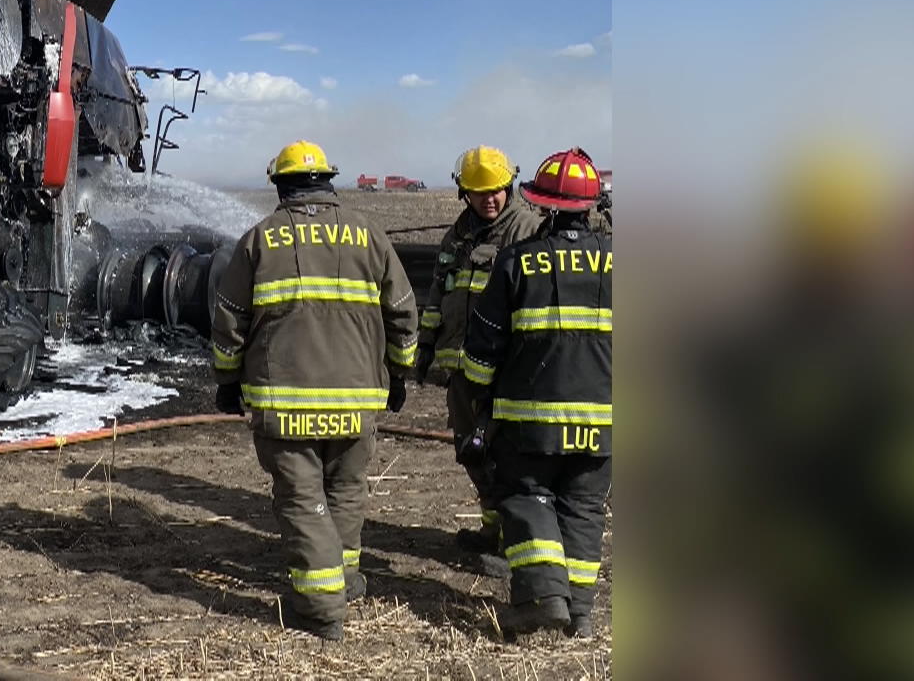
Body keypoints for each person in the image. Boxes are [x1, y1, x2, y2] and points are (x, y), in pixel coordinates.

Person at [209, 140, 420, 642]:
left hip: (286, 403)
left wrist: (226, 382)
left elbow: (229, 321)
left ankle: (322, 609)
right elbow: (404, 312)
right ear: (328, 182)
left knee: (303, 500)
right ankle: (343, 580)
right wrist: (400, 374)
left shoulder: (259, 240)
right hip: (357, 400)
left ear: (281, 187)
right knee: (345, 489)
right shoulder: (369, 235)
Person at [462, 147, 612, 639]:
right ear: (592, 205)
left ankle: (545, 597)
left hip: (529, 420)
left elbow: (482, 347)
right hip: (604, 421)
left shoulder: (516, 262)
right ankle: (583, 614)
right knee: (585, 507)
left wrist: (477, 398)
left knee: (528, 497)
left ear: (543, 204)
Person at [412, 146, 541, 560]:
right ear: (463, 193)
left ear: (510, 185)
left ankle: (511, 544)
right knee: (473, 452)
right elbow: (438, 293)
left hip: (506, 373)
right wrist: (426, 346)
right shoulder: (459, 233)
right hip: (463, 372)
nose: (490, 199)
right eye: (479, 192)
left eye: (498, 191)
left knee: (507, 456)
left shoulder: (528, 232)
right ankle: (492, 529)